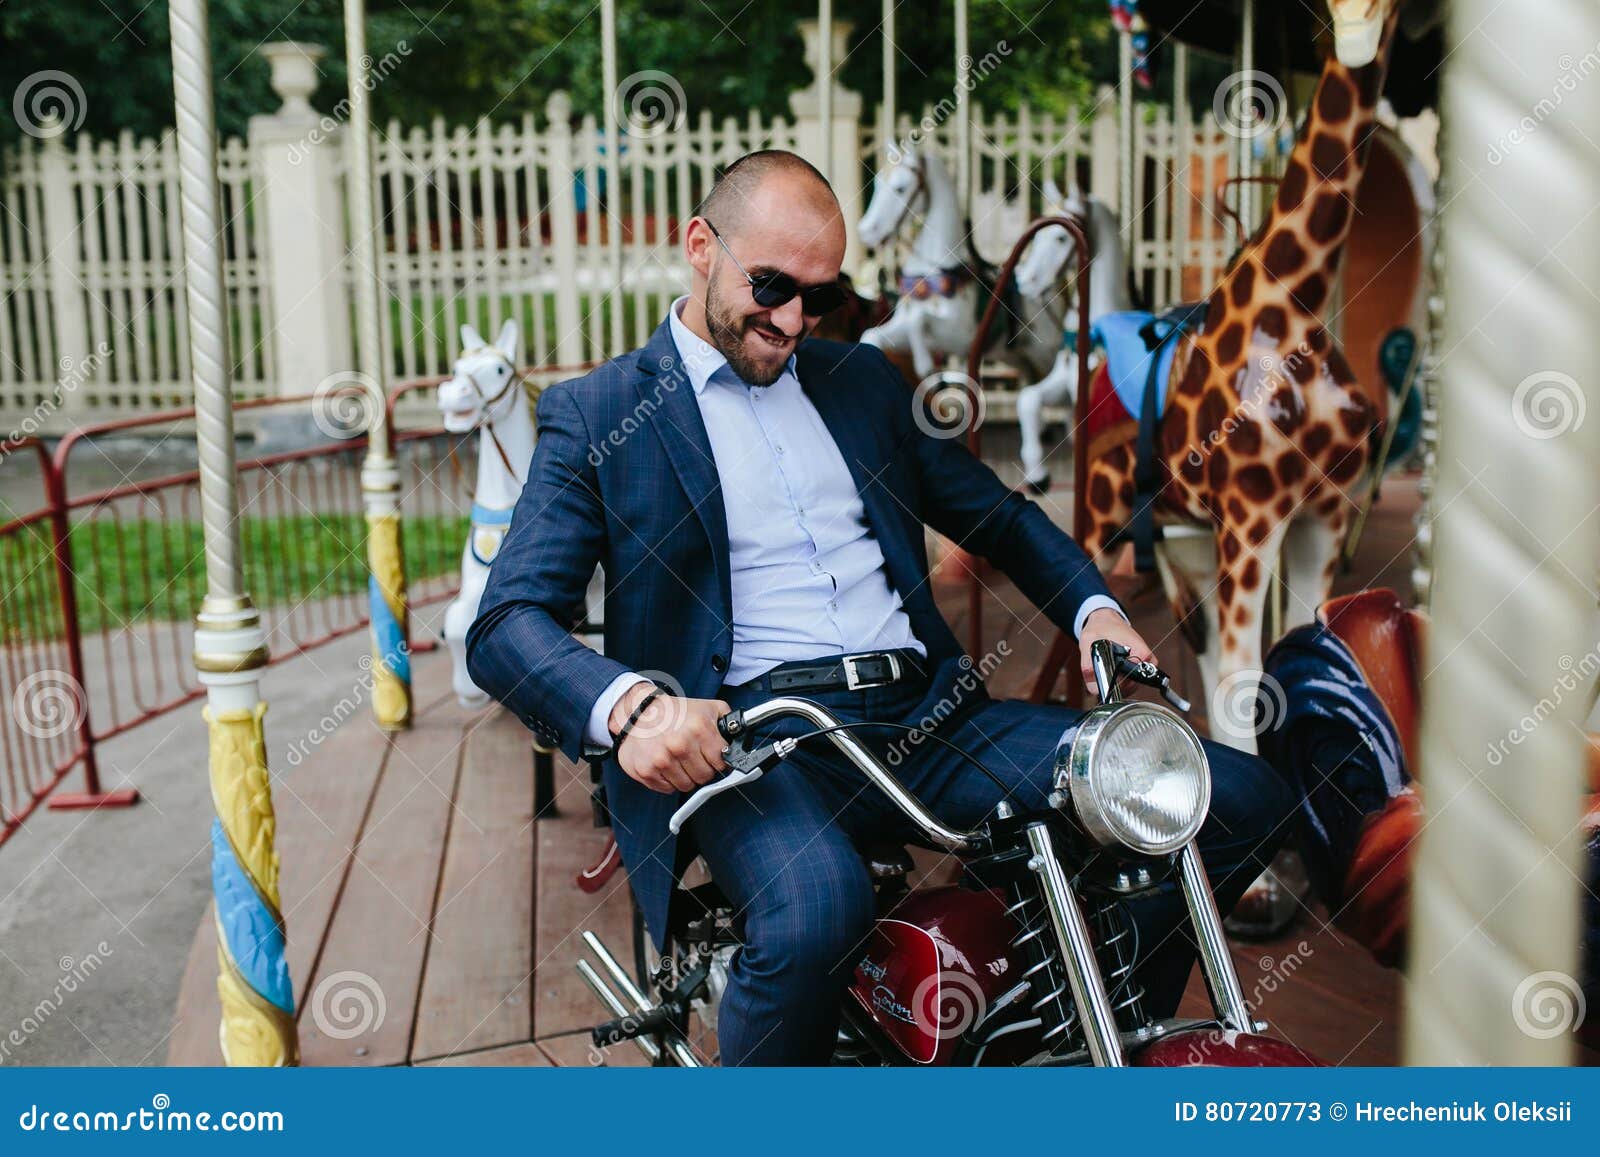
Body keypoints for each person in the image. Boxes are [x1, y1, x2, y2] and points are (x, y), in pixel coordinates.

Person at [466, 149, 1294, 1065]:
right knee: (819, 906)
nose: (791, 321)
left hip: (926, 715)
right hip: (752, 739)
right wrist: (632, 708)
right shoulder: (601, 411)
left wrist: (1096, 608)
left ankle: (1066, 1038)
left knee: (1231, 797)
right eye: (771, 285)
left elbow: (1001, 518)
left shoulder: (857, 381)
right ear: (700, 246)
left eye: (819, 297)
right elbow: (506, 624)